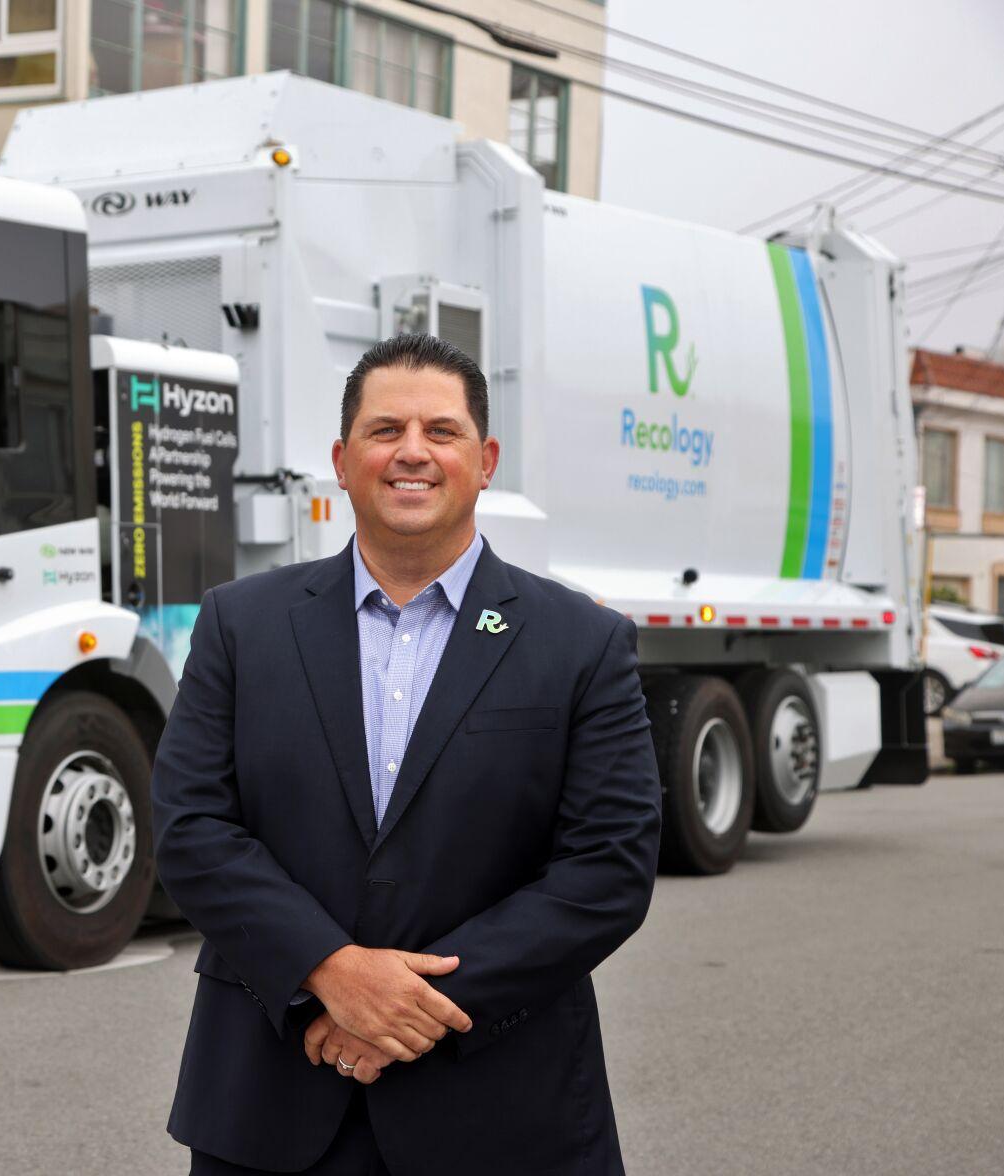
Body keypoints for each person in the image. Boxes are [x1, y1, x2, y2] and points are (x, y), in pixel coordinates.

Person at [151, 334, 662, 1175]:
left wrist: (410, 1006)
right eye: (384, 430)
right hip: (273, 1099)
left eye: (441, 431)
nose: (412, 452)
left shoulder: (580, 641)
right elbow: (191, 828)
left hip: (501, 1109)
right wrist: (328, 971)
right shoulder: (240, 624)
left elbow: (606, 868)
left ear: (485, 461)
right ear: (341, 461)